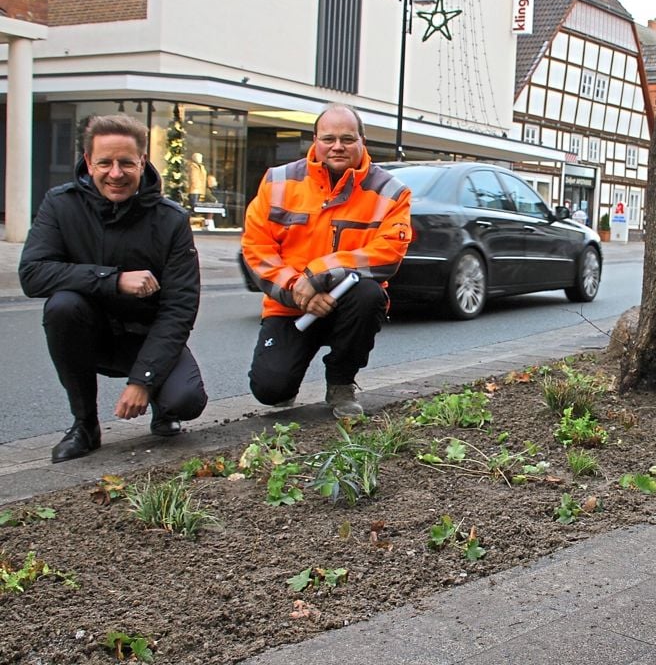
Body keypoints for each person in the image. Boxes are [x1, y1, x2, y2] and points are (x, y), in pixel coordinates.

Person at [19, 114, 208, 463]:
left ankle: (162, 408)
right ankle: (85, 424)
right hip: (91, 333)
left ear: (143, 162)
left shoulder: (171, 220)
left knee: (185, 401)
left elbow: (180, 308)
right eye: (105, 162)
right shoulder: (61, 205)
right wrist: (113, 280)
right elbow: (32, 274)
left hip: (146, 338)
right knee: (62, 306)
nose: (116, 173)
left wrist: (144, 381)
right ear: (89, 162)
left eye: (126, 162)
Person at [241, 104, 412, 417]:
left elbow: (388, 253)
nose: (337, 146)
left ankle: (341, 383)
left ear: (363, 141)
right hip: (290, 306)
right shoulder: (278, 181)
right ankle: (286, 379)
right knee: (270, 391)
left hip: (347, 304)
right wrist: (297, 289)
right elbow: (257, 248)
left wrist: (320, 274)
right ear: (315, 141)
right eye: (329, 138)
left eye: (347, 139)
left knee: (370, 295)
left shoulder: (391, 191)